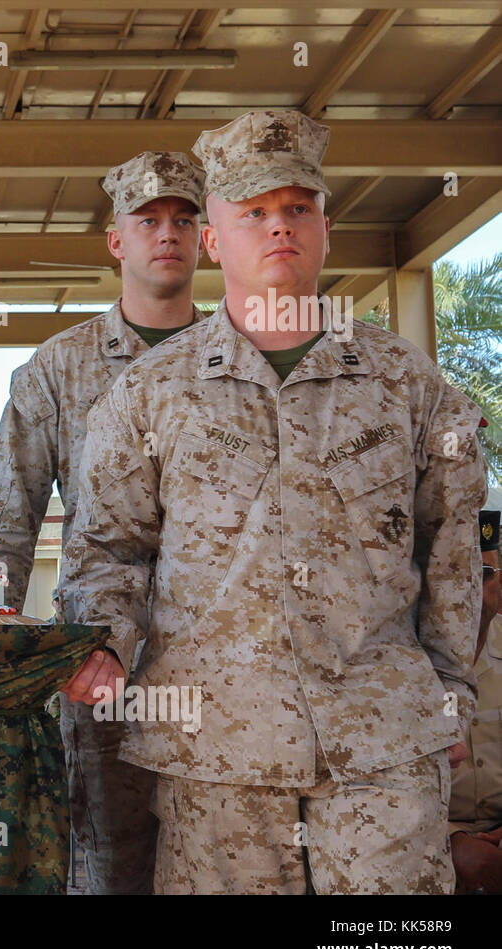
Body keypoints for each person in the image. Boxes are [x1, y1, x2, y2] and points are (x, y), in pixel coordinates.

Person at [61, 109, 483, 894]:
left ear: (326, 226)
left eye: (297, 208)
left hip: (382, 752)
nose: (278, 227)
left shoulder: (409, 385)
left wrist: (453, 695)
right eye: (253, 211)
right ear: (215, 240)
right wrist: (106, 644)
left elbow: (451, 551)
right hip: (214, 758)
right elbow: (108, 550)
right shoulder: (148, 395)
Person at [0, 151, 205, 894]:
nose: (168, 234)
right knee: (109, 869)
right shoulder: (56, 371)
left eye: (184, 220)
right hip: (102, 665)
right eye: (148, 220)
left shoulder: (240, 358)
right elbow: (4, 524)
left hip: (228, 665)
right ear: (116, 241)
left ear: (205, 238)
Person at [449, 510, 502, 894]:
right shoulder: (398, 655)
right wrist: (449, 842)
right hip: (423, 838)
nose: (474, 590)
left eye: (486, 574)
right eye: (460, 575)